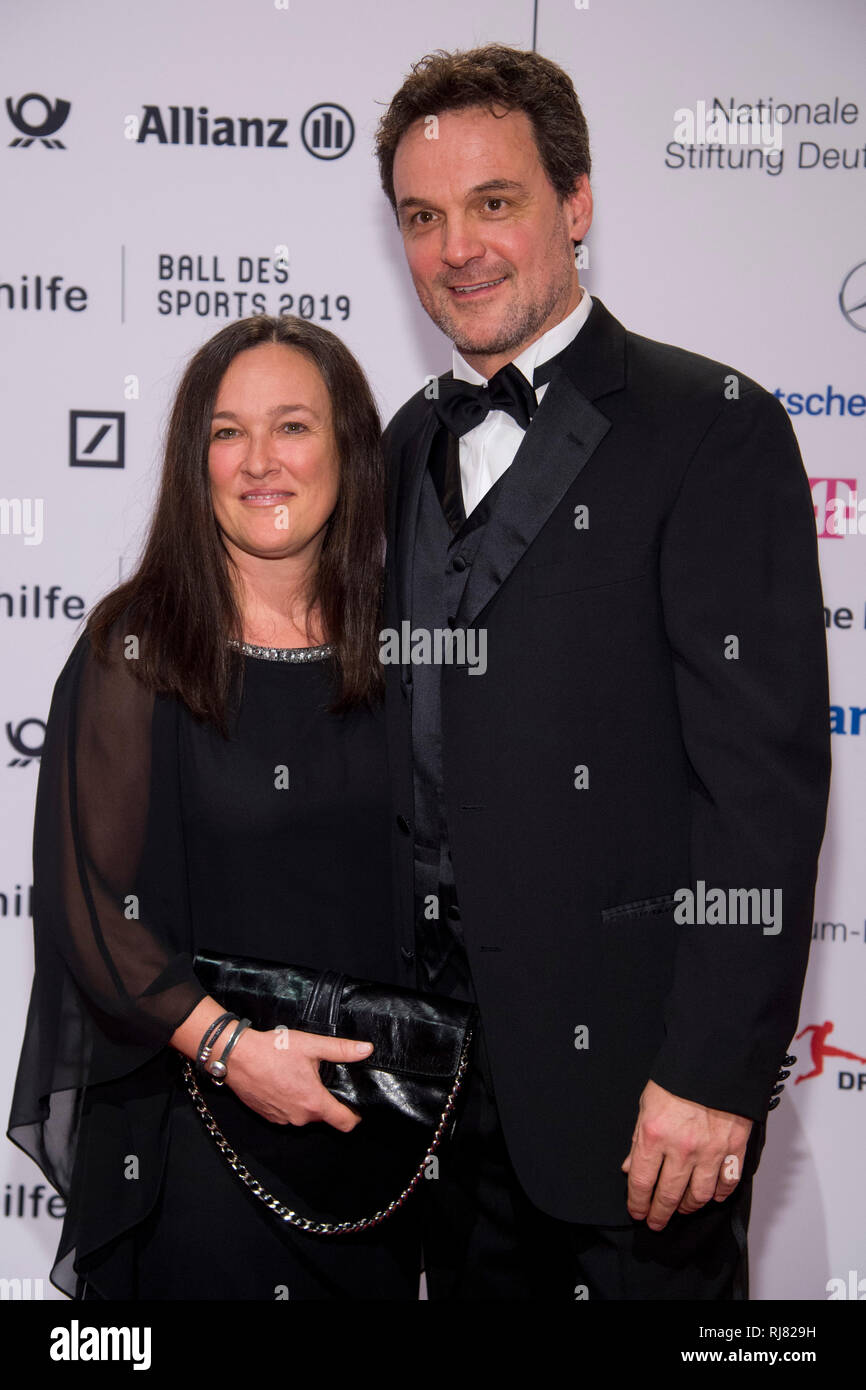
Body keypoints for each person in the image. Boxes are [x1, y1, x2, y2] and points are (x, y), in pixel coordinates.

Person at [374, 44, 831, 1299]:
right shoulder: (405, 440)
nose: (456, 247)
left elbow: (762, 788)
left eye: (493, 202)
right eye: (422, 216)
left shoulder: (709, 423)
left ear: (574, 205)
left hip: (641, 1111)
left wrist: (707, 1077)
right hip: (440, 1111)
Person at [7, 314, 423, 1300]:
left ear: (347, 448)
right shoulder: (137, 651)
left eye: (291, 426)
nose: (258, 461)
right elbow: (88, 905)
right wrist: (231, 1050)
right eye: (225, 431)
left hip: (380, 1154)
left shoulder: (407, 652)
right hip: (195, 1143)